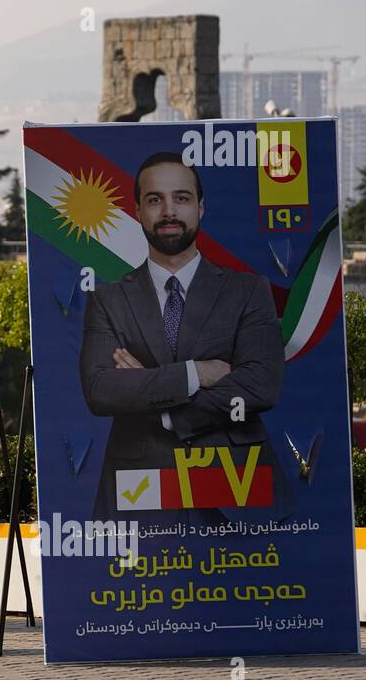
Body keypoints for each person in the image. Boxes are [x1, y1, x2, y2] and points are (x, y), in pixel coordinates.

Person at [80, 152, 293, 524]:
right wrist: (194, 374)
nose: (168, 211)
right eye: (154, 199)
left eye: (181, 198)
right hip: (138, 489)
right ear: (137, 212)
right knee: (136, 584)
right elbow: (101, 389)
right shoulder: (108, 300)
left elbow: (260, 385)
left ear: (200, 208)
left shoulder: (247, 291)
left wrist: (162, 409)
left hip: (236, 485)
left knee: (246, 583)